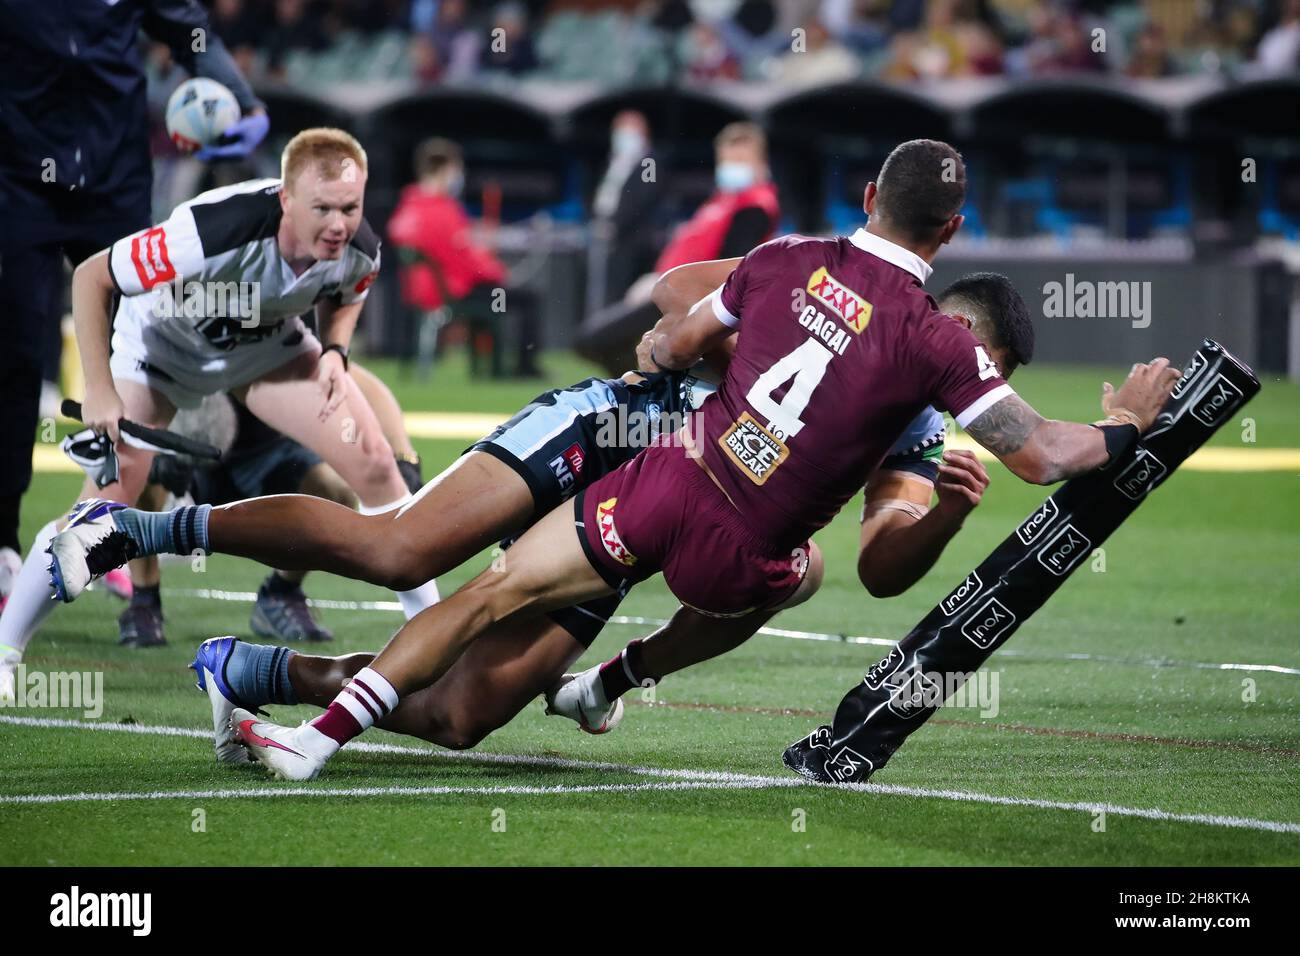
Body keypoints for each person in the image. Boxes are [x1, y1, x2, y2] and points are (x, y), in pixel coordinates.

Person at [203, 139, 1179, 780]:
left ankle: (353, 726)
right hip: (728, 531)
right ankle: (197, 557)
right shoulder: (933, 346)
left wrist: (687, 357)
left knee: (479, 625)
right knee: (791, 572)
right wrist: (1134, 419)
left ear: (871, 195)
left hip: (669, 475)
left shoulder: (784, 259)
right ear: (952, 232)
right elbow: (1046, 454)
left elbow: (668, 328)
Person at [191, 272, 1034, 762]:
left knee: (461, 718)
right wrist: (693, 344)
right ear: (953, 329)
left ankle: (257, 673)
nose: (979, 396)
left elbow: (884, 568)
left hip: (653, 516)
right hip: (606, 444)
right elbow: (674, 292)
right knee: (401, 551)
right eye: (983, 371)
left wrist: (947, 518)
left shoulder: (922, 429)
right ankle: (168, 529)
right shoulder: (831, 289)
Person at [0, 128, 440, 701]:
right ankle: (7, 648)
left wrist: (334, 350)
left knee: (378, 465)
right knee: (99, 515)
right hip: (159, 353)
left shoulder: (360, 248)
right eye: (323, 208)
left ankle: (431, 645)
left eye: (350, 208)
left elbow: (349, 293)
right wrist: (101, 391)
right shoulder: (210, 232)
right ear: (285, 199)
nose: (338, 223)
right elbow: (91, 276)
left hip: (261, 349)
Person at [0, 0, 269, 617]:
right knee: (12, 359)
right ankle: (4, 542)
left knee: (143, 352)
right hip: (15, 180)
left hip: (114, 179)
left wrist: (240, 96)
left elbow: (190, 29)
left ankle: (117, 543)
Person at [577, 121, 780, 373]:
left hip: (690, 294)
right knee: (612, 344)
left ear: (760, 164)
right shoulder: (724, 199)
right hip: (674, 287)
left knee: (597, 341)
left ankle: (648, 394)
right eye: (727, 160)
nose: (732, 167)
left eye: (740, 159)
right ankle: (650, 393)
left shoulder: (755, 206)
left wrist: (667, 285)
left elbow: (730, 264)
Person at [387, 138, 541, 376]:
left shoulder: (409, 206)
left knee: (498, 295)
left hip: (422, 292)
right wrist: (497, 271)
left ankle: (487, 361)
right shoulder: (443, 209)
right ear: (445, 169)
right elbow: (464, 261)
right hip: (452, 293)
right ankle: (519, 367)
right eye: (456, 169)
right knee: (518, 299)